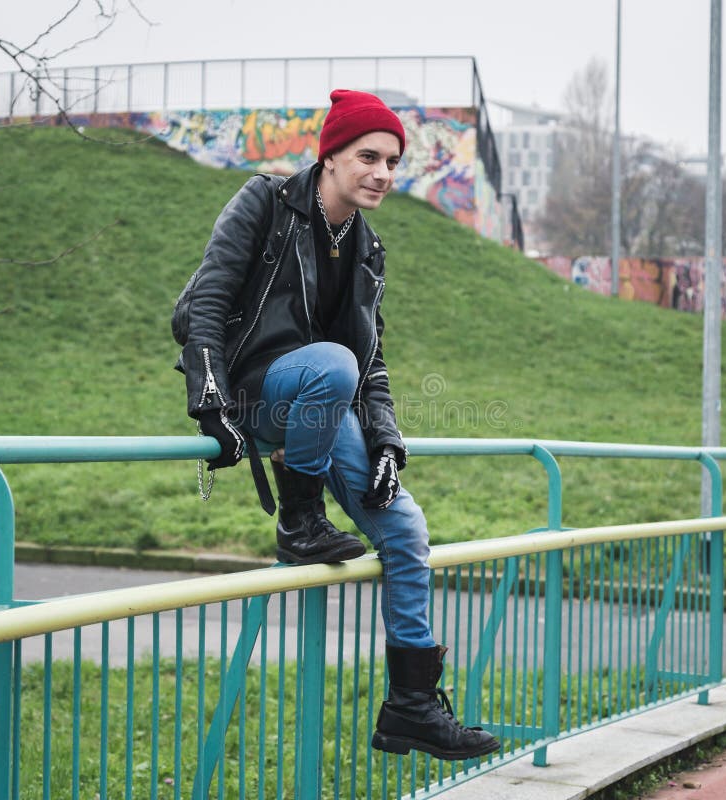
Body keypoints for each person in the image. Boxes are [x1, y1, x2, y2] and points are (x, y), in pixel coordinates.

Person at [172, 89, 499, 761]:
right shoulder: (265, 202)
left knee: (405, 530)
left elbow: (371, 359)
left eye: (392, 162)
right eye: (368, 156)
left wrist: (385, 441)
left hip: (328, 398)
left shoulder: (367, 247)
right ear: (331, 156)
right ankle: (301, 519)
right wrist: (210, 398)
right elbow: (202, 301)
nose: (382, 172)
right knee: (331, 362)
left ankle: (411, 708)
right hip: (259, 393)